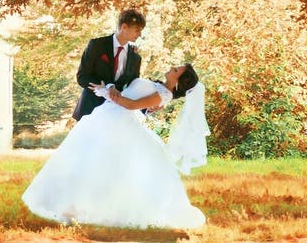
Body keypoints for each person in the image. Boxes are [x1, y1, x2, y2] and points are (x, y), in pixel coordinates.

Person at [21, 64, 208, 230]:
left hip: (117, 122)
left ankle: (81, 207)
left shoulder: (164, 94)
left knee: (98, 164)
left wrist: (105, 92)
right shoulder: (159, 87)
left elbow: (131, 104)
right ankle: (72, 205)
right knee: (86, 161)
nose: (172, 67)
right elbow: (136, 102)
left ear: (178, 81)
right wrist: (110, 91)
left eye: (176, 70)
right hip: (108, 116)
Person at [71, 8, 146, 121]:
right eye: (137, 30)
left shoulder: (135, 57)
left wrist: (146, 107)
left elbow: (133, 88)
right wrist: (108, 87)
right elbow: (82, 77)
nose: (140, 34)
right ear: (124, 27)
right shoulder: (97, 45)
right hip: (89, 112)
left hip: (115, 116)